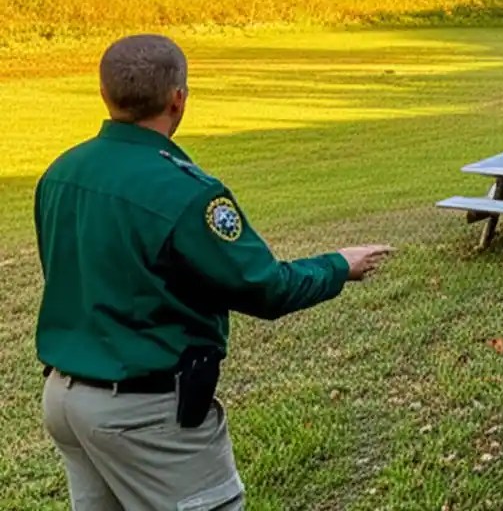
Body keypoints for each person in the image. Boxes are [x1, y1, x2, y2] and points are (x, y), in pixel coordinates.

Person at [35, 34, 395, 511]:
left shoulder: (62, 171)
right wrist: (338, 266)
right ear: (177, 98)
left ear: (105, 93)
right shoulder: (186, 192)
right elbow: (264, 288)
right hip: (144, 411)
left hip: (65, 398)